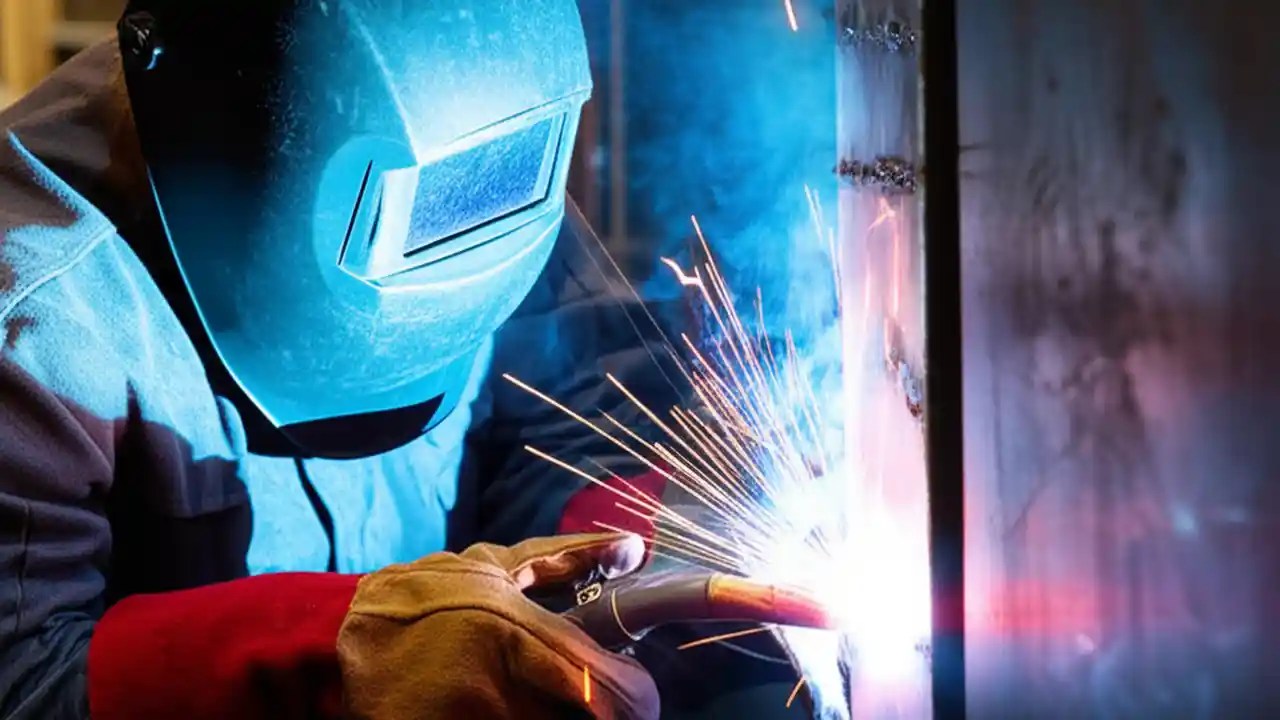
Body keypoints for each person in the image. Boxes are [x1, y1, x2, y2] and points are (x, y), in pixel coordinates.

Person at [0, 1, 680, 718]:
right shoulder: (36, 321)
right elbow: (21, 681)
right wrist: (333, 658)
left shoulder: (486, 127)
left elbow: (574, 393)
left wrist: (638, 543)